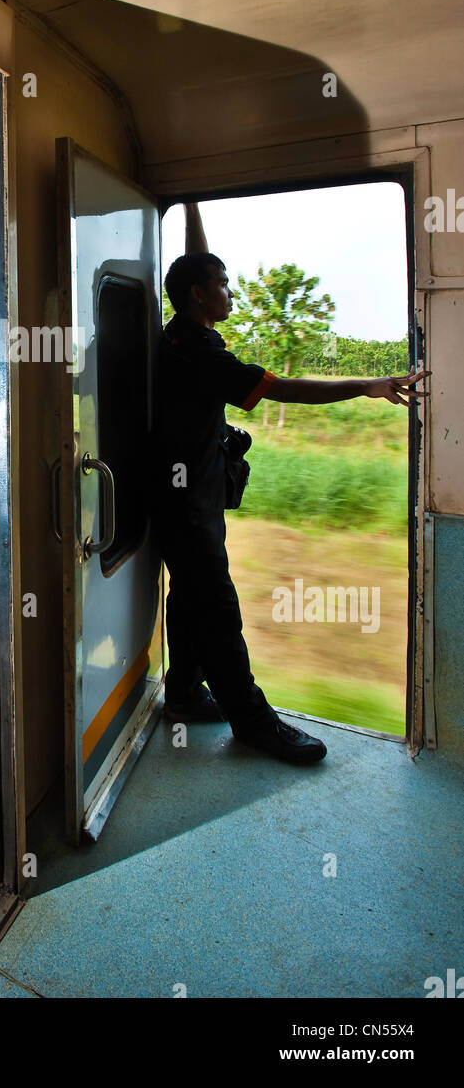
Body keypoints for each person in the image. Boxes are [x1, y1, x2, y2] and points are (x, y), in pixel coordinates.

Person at [152, 201, 428, 765]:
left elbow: (191, 264)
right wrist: (369, 385)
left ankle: (180, 695)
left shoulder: (177, 334)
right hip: (190, 505)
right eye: (223, 285)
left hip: (182, 496)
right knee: (218, 609)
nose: (232, 294)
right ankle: (253, 724)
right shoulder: (201, 352)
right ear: (200, 296)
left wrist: (191, 202)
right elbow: (284, 389)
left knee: (188, 598)